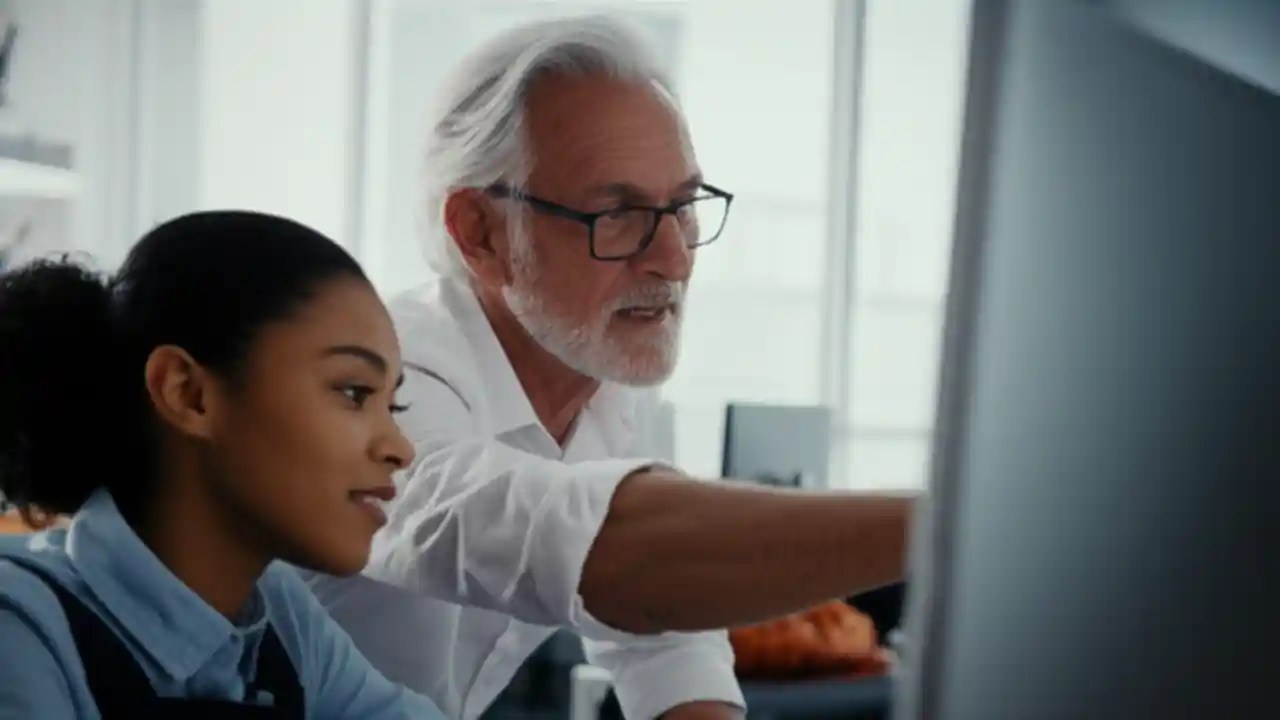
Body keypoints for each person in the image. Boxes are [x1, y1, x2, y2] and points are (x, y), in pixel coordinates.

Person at [306, 16, 916, 720]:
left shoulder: (604, 378)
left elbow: (663, 643)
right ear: (480, 234)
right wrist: (956, 529)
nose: (676, 257)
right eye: (617, 213)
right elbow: (602, 551)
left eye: (683, 204)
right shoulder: (389, 377)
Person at [0, 211, 445, 719]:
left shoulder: (280, 618)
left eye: (393, 405)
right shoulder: (21, 632)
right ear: (188, 394)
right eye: (353, 392)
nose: (400, 448)